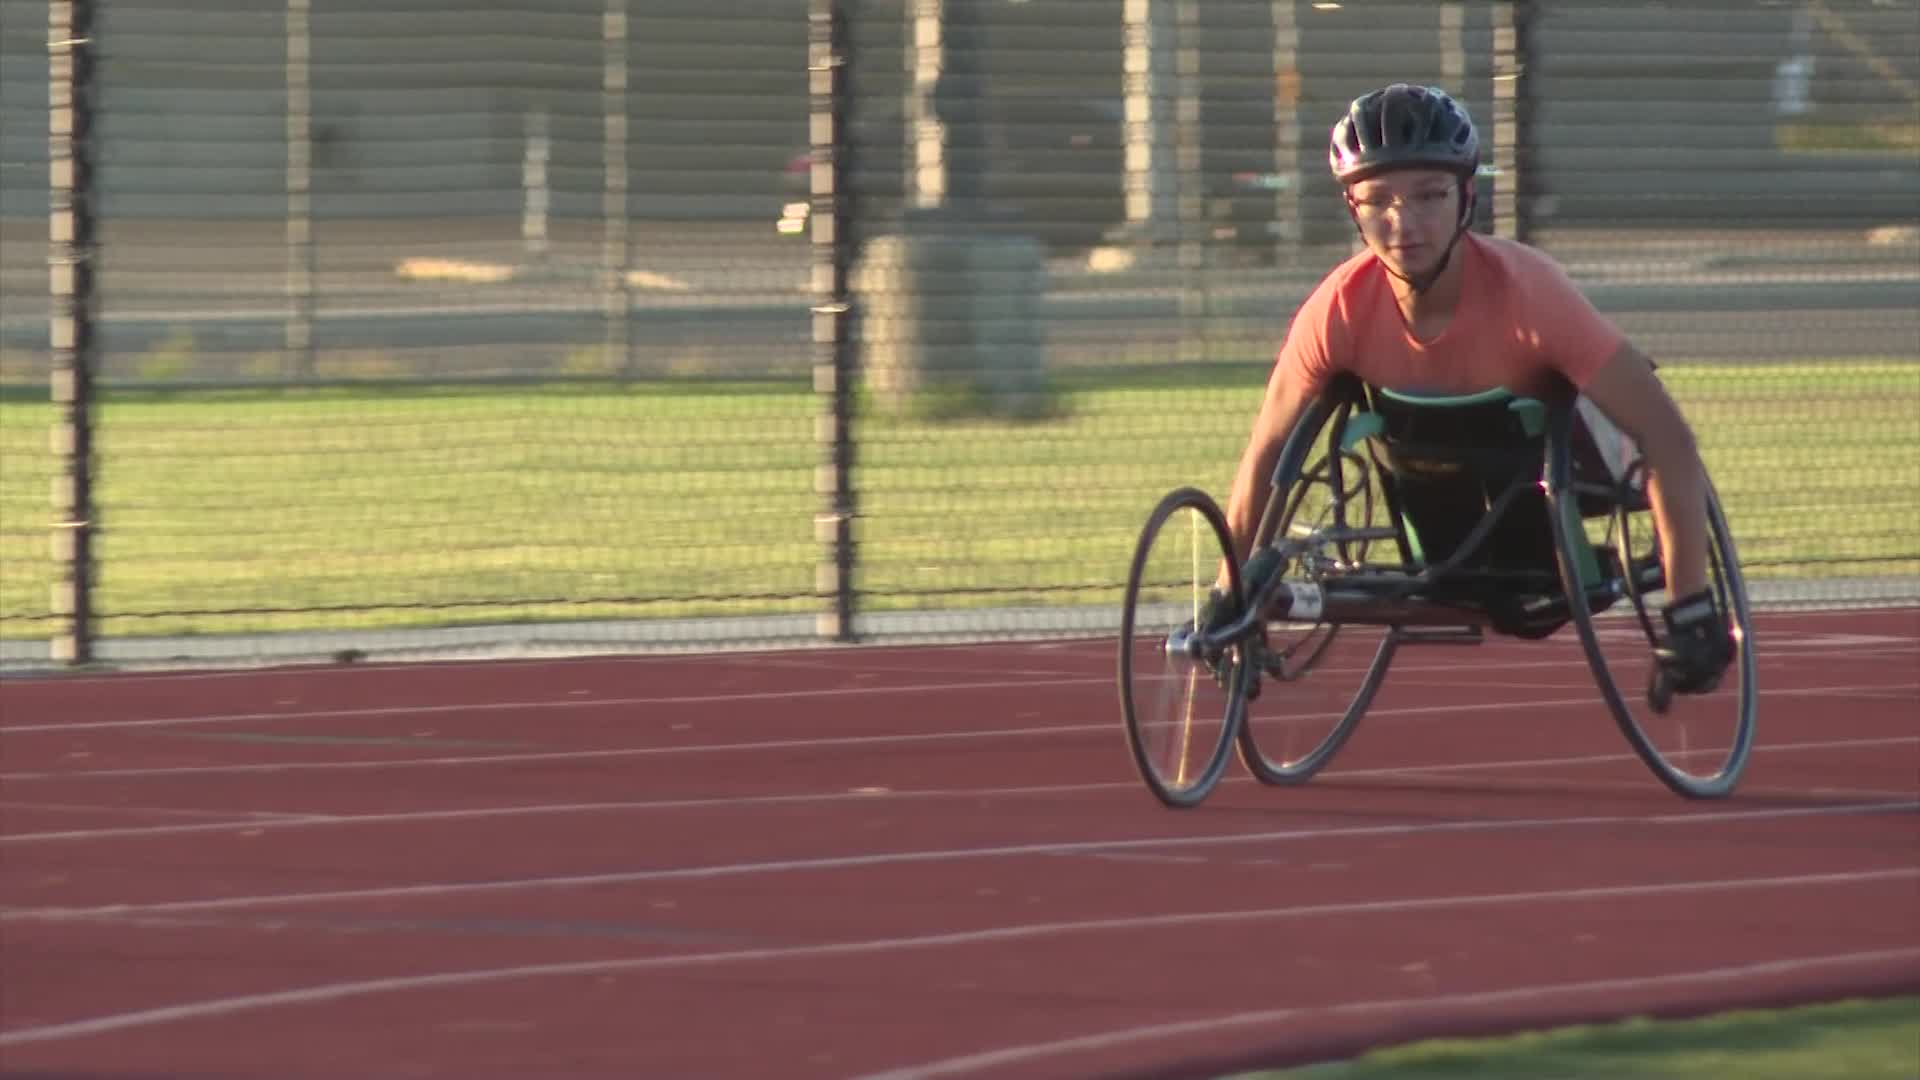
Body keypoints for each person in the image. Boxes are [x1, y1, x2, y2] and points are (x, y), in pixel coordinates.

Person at [1219, 83, 1732, 698]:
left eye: (1429, 197)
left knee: (1619, 415)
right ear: (1352, 208)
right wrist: (1230, 596)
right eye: (1377, 201)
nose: (1403, 224)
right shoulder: (1339, 308)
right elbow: (1268, 453)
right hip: (1435, 514)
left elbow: (1667, 436)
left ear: (1467, 196)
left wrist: (1690, 604)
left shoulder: (1531, 293)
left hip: (1561, 480)